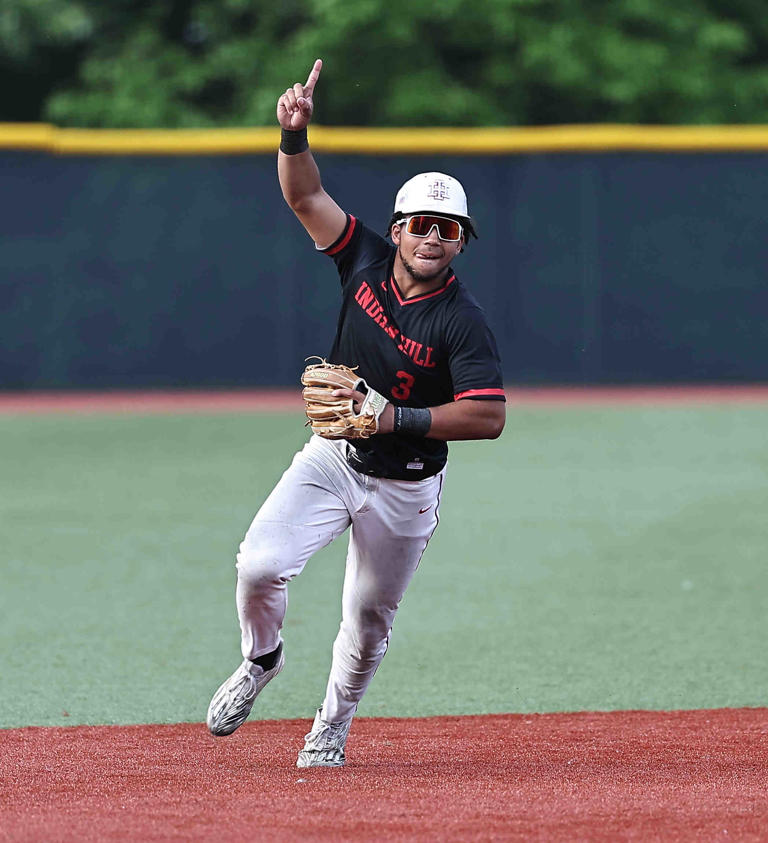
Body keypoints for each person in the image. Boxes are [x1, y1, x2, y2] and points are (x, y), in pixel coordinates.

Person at [206, 59, 506, 767]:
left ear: (462, 243)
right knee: (259, 565)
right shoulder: (363, 258)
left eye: (450, 230)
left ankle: (329, 731)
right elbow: (306, 195)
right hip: (333, 456)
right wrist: (293, 133)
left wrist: (394, 416)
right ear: (399, 229)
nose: (434, 237)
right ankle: (262, 660)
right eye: (423, 224)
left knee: (368, 622)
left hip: (405, 483)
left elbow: (486, 415)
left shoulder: (464, 322)